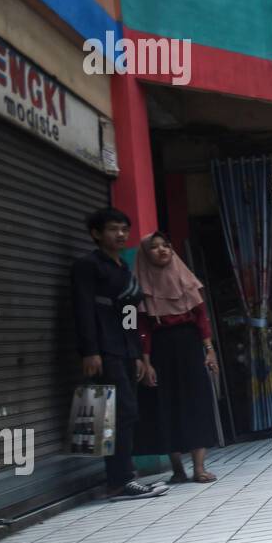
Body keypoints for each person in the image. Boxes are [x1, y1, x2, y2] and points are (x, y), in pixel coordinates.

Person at [70, 208, 167, 501]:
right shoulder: (87, 266)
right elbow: (83, 309)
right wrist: (90, 351)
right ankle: (120, 480)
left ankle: (124, 477)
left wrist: (136, 352)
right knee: (116, 413)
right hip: (103, 349)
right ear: (96, 233)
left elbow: (128, 313)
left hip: (124, 349)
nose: (121, 234)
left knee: (125, 412)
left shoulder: (122, 268)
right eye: (113, 229)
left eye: (124, 229)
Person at [136, 231, 221, 483]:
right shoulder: (137, 287)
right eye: (155, 247)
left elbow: (201, 318)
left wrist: (209, 350)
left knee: (196, 401)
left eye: (166, 245)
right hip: (160, 349)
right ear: (144, 254)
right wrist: (146, 361)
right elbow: (140, 327)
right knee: (164, 405)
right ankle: (177, 470)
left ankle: (199, 468)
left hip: (189, 346)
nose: (162, 250)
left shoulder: (186, 279)